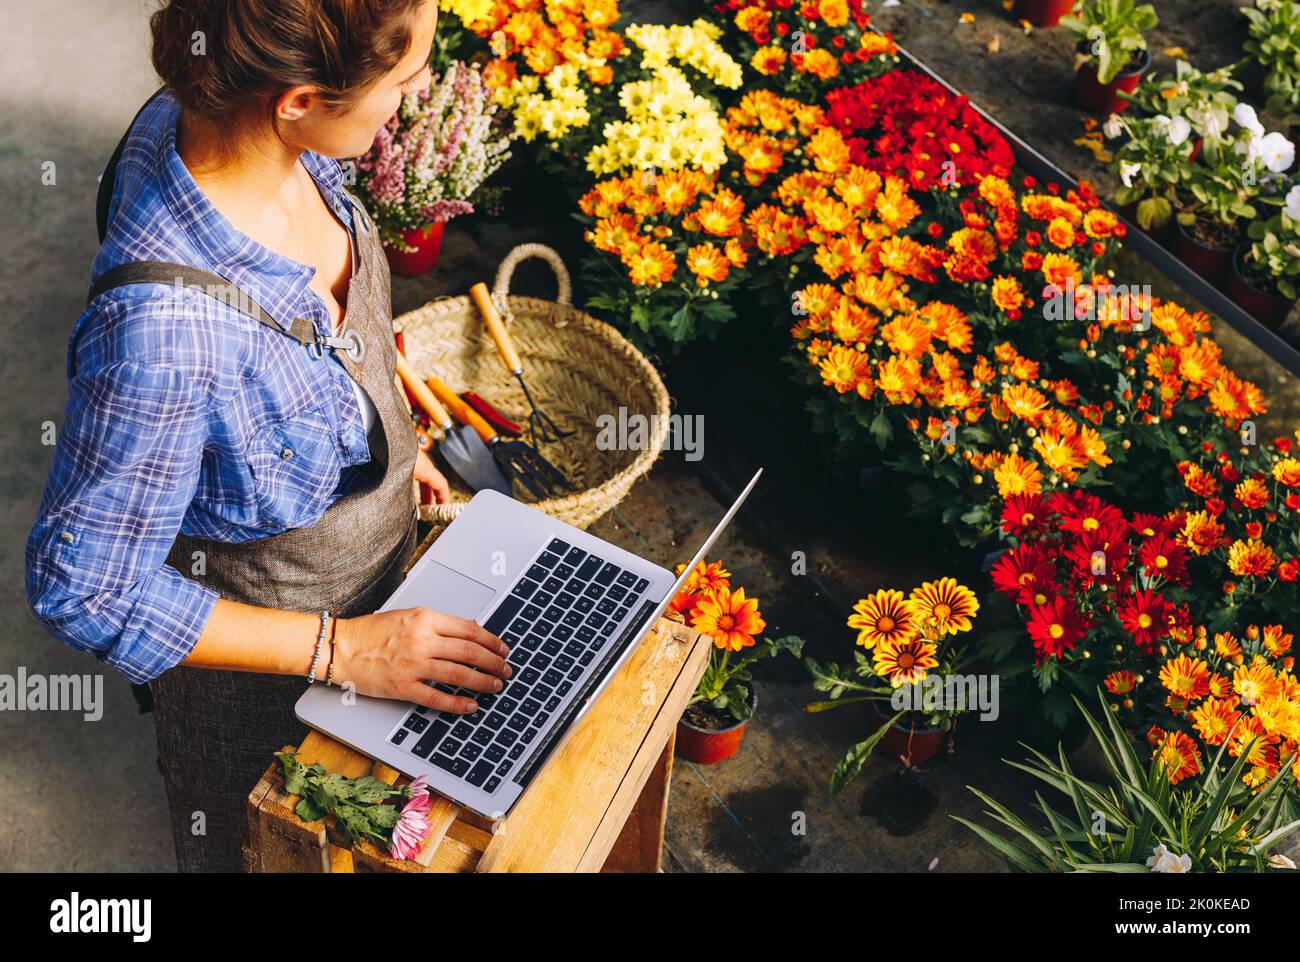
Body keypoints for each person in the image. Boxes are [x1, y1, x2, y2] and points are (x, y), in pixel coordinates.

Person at [26, 0, 511, 872]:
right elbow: (83, 587)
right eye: (400, 83)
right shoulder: (165, 336)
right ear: (297, 99)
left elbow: (309, 336)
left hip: (382, 601)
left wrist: (385, 433)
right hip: (264, 695)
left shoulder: (226, 106)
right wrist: (344, 650)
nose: (414, 98)